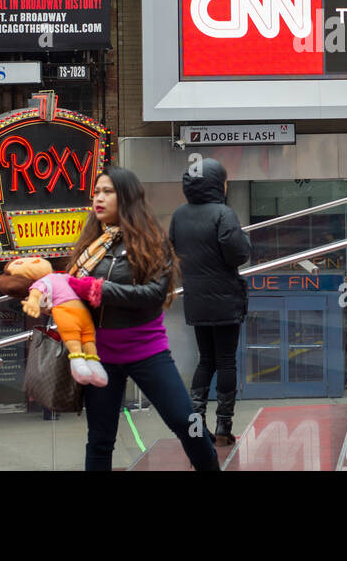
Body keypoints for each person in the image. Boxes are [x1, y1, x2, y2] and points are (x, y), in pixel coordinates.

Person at [64, 167, 220, 471]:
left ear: (127, 197)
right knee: (99, 439)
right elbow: (73, 290)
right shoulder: (90, 247)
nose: (99, 198)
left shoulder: (152, 242)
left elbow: (153, 294)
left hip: (146, 350)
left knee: (186, 422)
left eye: (107, 191)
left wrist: (100, 289)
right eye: (96, 192)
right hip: (99, 355)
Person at [169, 158, 252, 447]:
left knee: (206, 360)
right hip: (226, 300)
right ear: (217, 182)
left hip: (195, 299)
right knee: (226, 361)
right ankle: (223, 426)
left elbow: (175, 249)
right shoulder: (224, 213)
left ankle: (196, 420)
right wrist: (245, 239)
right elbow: (238, 254)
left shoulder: (179, 215)